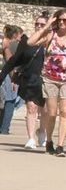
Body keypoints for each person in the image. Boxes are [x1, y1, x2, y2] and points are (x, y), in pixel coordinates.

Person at [29, 10, 66, 157]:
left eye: (65, 20)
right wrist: (46, 27)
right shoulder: (51, 35)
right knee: (52, 113)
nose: (62, 22)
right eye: (60, 20)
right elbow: (30, 42)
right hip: (50, 78)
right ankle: (50, 140)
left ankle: (60, 145)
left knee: (64, 112)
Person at [0, 18, 47, 150]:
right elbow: (15, 60)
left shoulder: (51, 41)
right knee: (31, 107)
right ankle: (31, 138)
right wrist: (5, 76)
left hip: (47, 79)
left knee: (46, 110)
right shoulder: (26, 41)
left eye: (42, 24)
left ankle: (42, 131)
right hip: (30, 79)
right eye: (37, 23)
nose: (39, 26)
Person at [1, 25, 24, 136]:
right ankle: (4, 128)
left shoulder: (5, 43)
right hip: (10, 76)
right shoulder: (16, 45)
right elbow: (11, 63)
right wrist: (14, 79)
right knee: (10, 102)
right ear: (16, 34)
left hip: (4, 75)